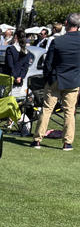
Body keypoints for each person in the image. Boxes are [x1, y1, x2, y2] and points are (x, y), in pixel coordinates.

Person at [32, 13, 80, 150]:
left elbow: (48, 63)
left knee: (46, 110)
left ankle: (37, 140)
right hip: (73, 81)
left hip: (55, 79)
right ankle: (67, 142)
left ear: (66, 23)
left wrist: (47, 79)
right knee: (69, 112)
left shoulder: (57, 41)